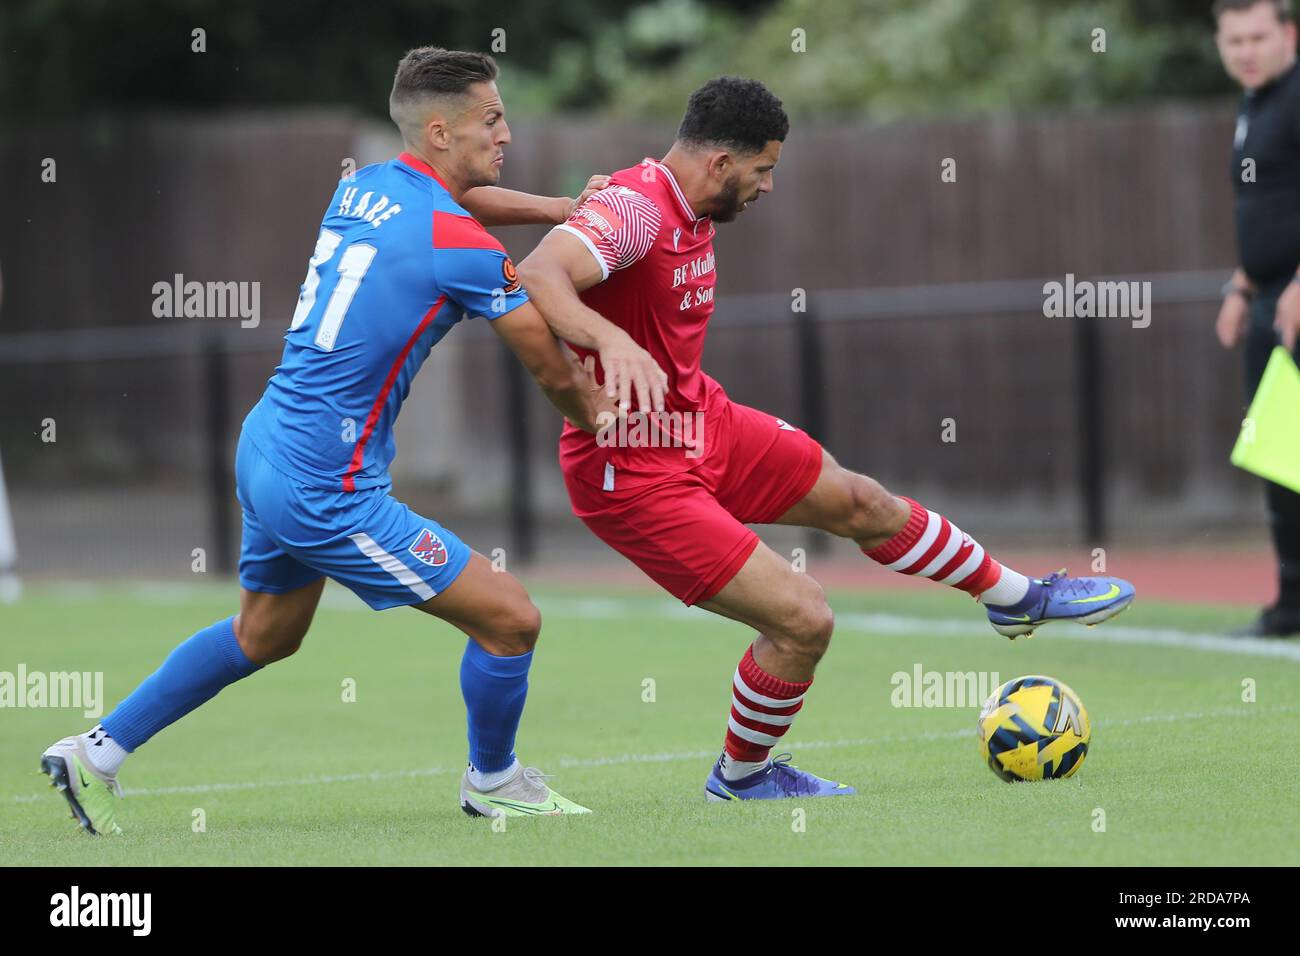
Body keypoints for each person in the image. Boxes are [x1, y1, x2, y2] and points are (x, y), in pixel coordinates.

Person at [39, 47, 618, 833]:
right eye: (492, 119)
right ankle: (496, 780)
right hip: (325, 483)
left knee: (264, 634)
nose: (506, 132)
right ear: (441, 131)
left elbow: (454, 211)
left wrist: (556, 210)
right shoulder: (465, 247)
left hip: (266, 446)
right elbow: (549, 366)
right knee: (512, 617)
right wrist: (601, 420)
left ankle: (93, 753)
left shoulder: (365, 185)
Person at [518, 76, 1137, 801]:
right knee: (804, 620)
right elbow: (538, 273)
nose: (769, 186)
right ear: (720, 163)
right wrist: (609, 342)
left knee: (860, 501)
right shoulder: (631, 208)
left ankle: (1016, 598)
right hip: (630, 470)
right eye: (764, 168)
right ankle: (743, 779)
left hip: (701, 424)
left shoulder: (688, 206)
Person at [1213, 0, 1300, 637]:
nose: (1247, 49)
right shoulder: (1255, 103)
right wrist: (1243, 287)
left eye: (1259, 36)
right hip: (1270, 299)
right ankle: (1293, 602)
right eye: (1234, 38)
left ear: (1290, 33)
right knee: (1280, 457)